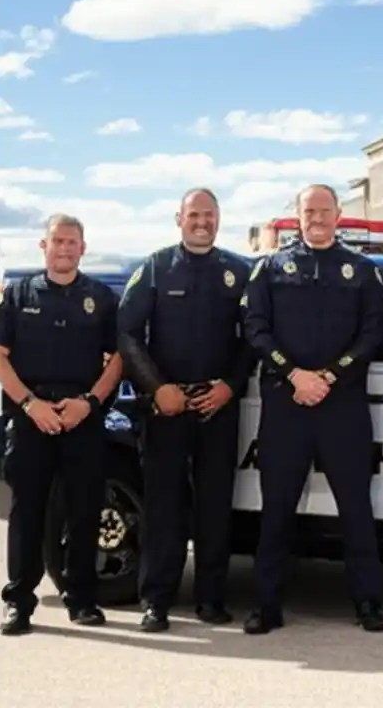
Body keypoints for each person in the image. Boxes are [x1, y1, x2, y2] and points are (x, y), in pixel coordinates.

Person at [240, 184, 383, 635]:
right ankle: (266, 605)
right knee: (277, 509)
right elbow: (254, 328)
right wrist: (294, 375)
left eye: (325, 210)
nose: (318, 218)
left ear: (339, 214)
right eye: (310, 211)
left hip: (341, 404)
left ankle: (368, 602)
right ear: (298, 215)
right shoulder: (270, 267)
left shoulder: (362, 270)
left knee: (355, 509)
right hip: (287, 404)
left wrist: (329, 376)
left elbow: (373, 332)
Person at [117, 187, 255, 632]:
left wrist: (230, 387)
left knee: (215, 507)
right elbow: (128, 334)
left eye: (209, 215)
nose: (202, 222)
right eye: (194, 214)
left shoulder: (239, 272)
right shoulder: (155, 268)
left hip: (217, 408)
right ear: (179, 218)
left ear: (219, 219)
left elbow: (253, 337)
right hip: (167, 410)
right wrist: (158, 390)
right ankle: (156, 600)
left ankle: (211, 599)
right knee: (164, 508)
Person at [0, 213, 123, 636]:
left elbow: (116, 360)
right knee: (27, 512)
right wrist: (31, 405)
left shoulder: (101, 299)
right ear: (43, 246)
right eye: (57, 241)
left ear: (83, 248)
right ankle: (19, 603)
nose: (64, 248)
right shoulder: (19, 294)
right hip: (33, 417)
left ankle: (81, 599)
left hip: (81, 416)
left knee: (84, 511)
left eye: (72, 242)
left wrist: (89, 402)